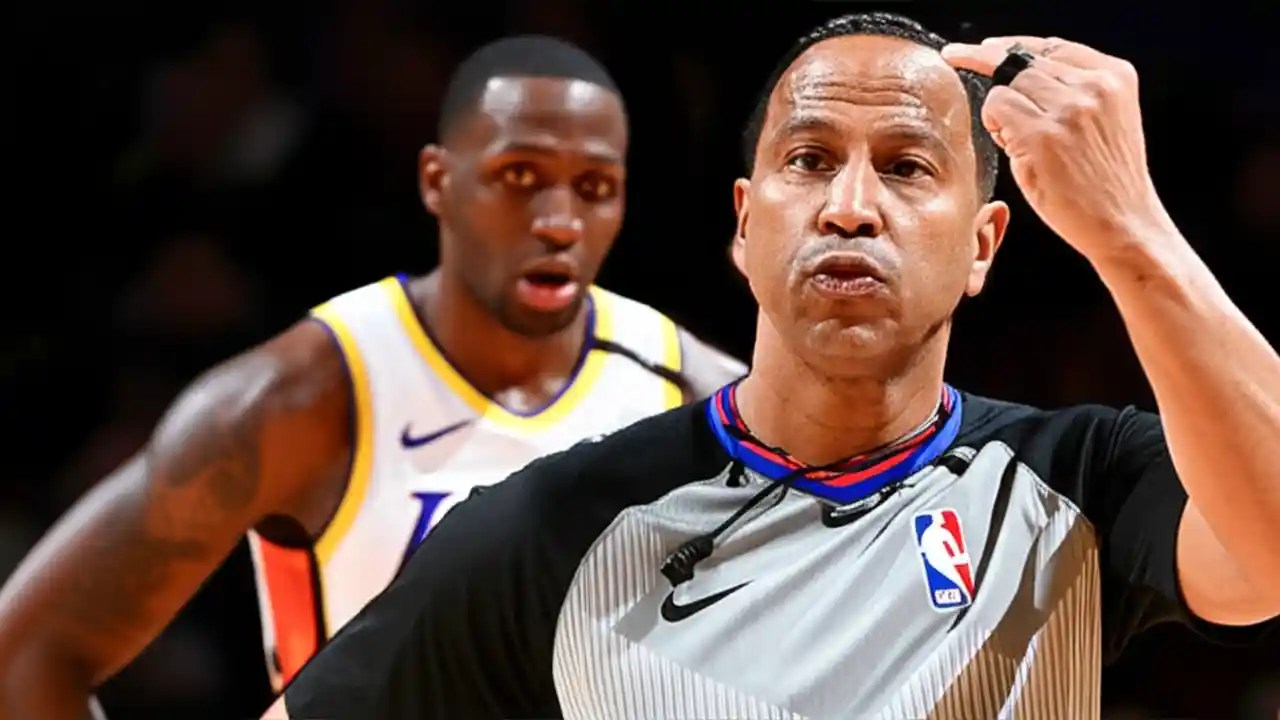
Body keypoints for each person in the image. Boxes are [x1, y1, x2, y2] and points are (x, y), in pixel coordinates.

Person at [266, 12, 1280, 720]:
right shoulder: (562, 523)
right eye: (806, 159)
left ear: (981, 245)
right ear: (746, 228)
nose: (849, 204)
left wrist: (1130, 229)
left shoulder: (1078, 484)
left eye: (905, 166)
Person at [0, 35, 747, 720]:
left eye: (593, 187)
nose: (559, 219)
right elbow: (27, 656)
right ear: (436, 180)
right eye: (520, 176)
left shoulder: (692, 391)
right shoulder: (301, 396)